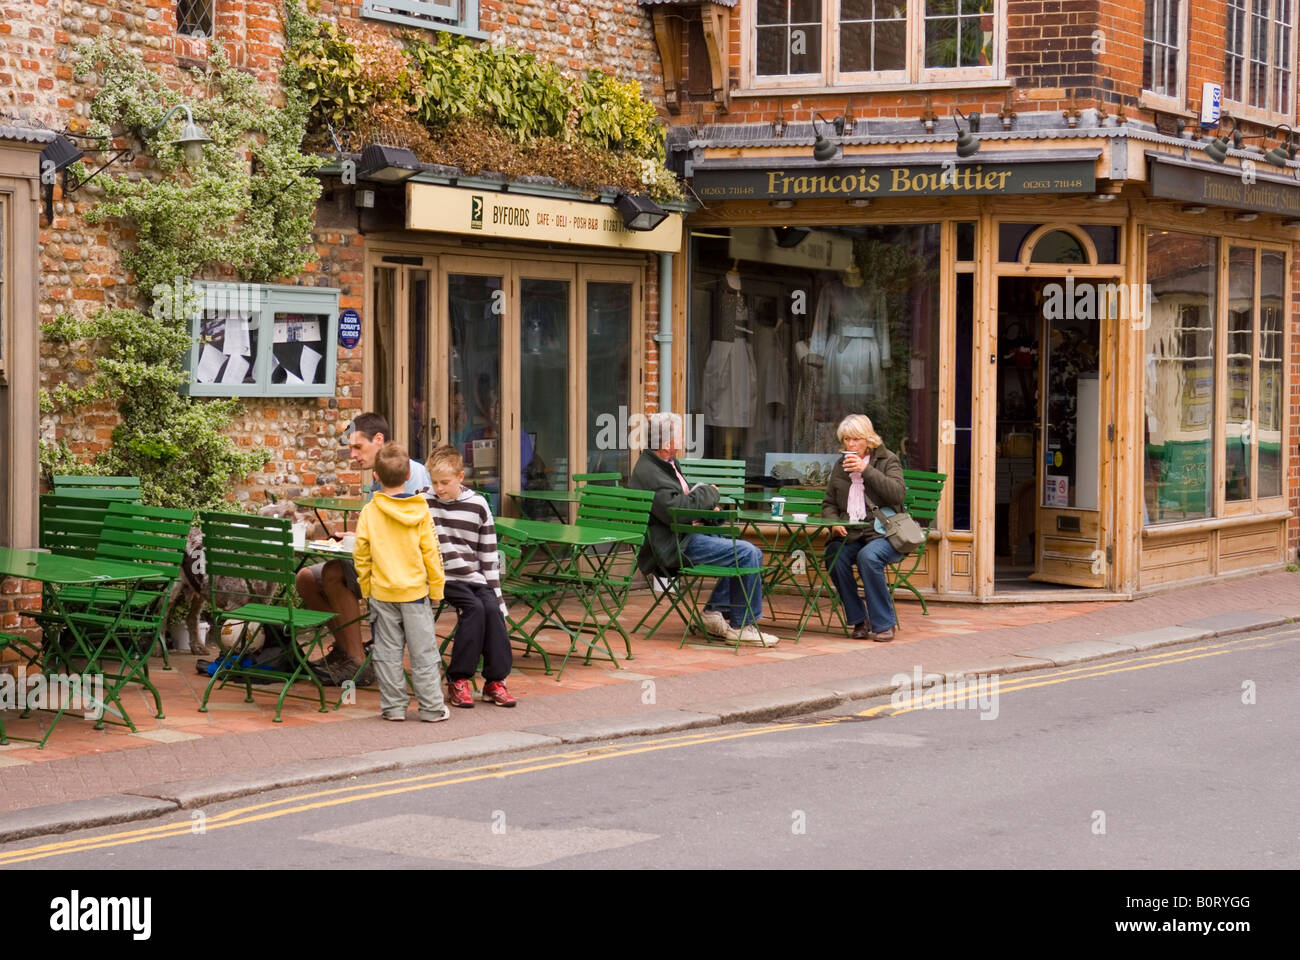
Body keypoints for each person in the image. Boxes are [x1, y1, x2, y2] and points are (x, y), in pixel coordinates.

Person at [297, 412, 432, 682]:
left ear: (378, 440)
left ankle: (357, 662)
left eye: (358, 447)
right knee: (305, 578)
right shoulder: (378, 476)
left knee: (335, 573)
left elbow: (415, 531)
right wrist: (356, 535)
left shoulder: (411, 474)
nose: (353, 455)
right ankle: (348, 651)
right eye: (351, 449)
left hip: (400, 571)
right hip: (377, 562)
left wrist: (364, 540)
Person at [629, 411, 779, 647]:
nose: (683, 439)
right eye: (679, 435)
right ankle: (742, 626)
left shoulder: (665, 464)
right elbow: (678, 510)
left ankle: (714, 612)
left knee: (751, 552)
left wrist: (708, 514)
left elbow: (682, 504)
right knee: (746, 553)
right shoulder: (649, 472)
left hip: (685, 535)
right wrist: (710, 492)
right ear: (667, 443)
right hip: (674, 546)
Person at [353, 443, 448, 722]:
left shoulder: (370, 512)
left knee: (387, 652)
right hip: (416, 593)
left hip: (382, 592)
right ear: (409, 476)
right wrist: (437, 589)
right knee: (424, 653)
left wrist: (366, 588)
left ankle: (394, 708)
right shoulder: (421, 512)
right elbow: (432, 553)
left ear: (376, 477)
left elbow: (361, 553)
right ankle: (431, 708)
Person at [425, 444, 517, 708]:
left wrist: (498, 598)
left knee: (491, 609)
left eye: (445, 482)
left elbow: (488, 554)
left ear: (460, 478)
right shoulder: (423, 501)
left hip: (473, 577)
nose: (439, 488)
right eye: (434, 482)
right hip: (443, 577)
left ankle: (495, 682)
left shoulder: (478, 505)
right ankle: (458, 679)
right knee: (475, 608)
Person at [822, 413, 907, 642]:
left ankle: (885, 624)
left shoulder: (888, 460)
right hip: (853, 533)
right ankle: (860, 620)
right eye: (846, 440)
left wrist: (865, 470)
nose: (850, 445)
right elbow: (829, 503)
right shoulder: (840, 466)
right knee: (834, 554)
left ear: (868, 439)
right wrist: (834, 523)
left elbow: (898, 494)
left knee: (868, 557)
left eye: (855, 439)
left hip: (884, 533)